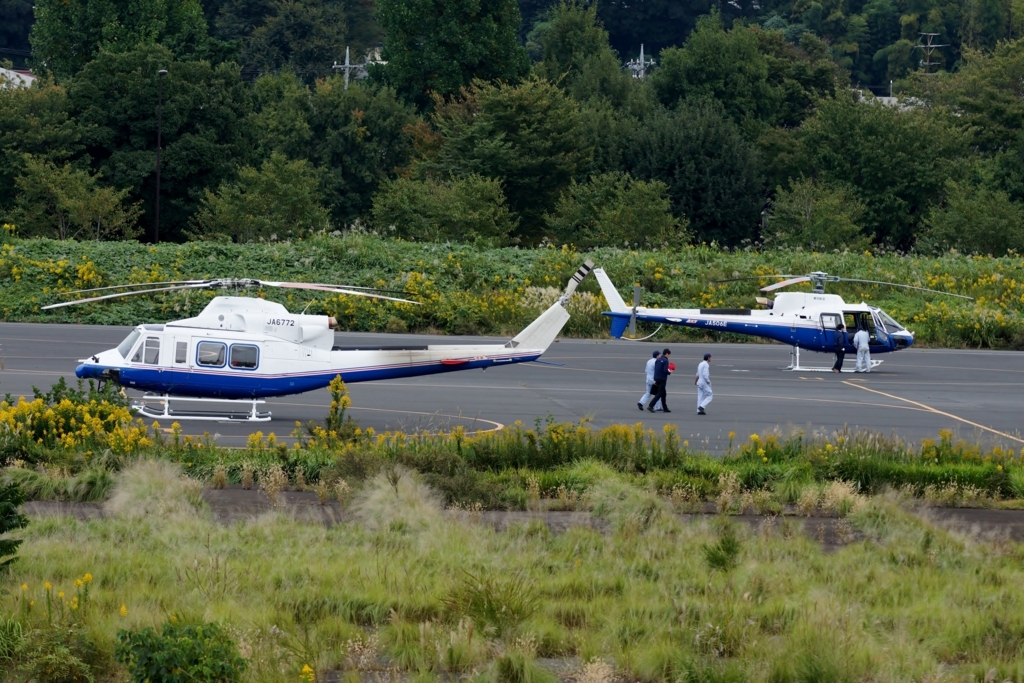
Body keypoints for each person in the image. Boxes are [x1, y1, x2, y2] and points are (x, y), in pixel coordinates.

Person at [647, 348, 672, 413]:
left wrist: (655, 378)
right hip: (662, 379)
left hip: (657, 378)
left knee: (664, 394)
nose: (669, 356)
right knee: (659, 393)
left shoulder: (658, 360)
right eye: (669, 355)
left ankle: (665, 407)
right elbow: (665, 370)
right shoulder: (666, 361)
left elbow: (656, 369)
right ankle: (651, 406)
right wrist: (669, 372)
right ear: (666, 354)